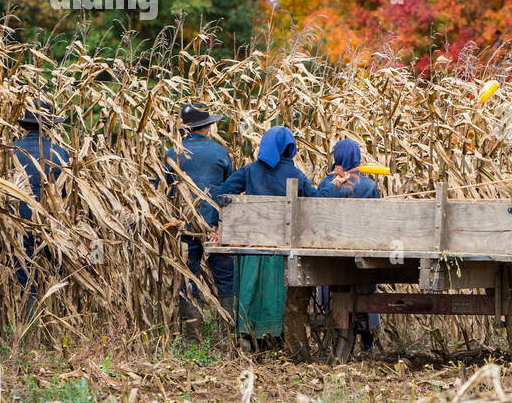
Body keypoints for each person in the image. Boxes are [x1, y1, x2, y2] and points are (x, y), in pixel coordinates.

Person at [211, 126, 324, 356]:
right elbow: (315, 202)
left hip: (251, 248)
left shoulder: (250, 170)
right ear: (288, 148)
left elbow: (224, 194)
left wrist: (215, 223)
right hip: (282, 250)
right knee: (276, 293)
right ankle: (275, 336)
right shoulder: (296, 175)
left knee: (249, 290)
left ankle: (245, 335)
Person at [164, 104, 235, 339]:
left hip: (183, 225)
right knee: (225, 278)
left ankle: (194, 337)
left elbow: (162, 189)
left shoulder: (172, 153)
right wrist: (216, 223)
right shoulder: (219, 152)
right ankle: (228, 334)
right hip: (214, 226)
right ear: (207, 126)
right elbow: (229, 189)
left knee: (188, 275)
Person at [0, 100, 71, 313]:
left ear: (25, 125)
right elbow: (64, 194)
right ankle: (52, 321)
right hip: (51, 226)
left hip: (18, 224)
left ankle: (27, 329)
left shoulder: (10, 152)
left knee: (24, 278)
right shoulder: (60, 153)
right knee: (53, 275)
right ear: (49, 126)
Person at [318, 139, 382, 353]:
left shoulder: (326, 185)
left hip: (332, 252)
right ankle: (367, 341)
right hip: (362, 249)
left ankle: (334, 332)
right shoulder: (369, 186)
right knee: (367, 289)